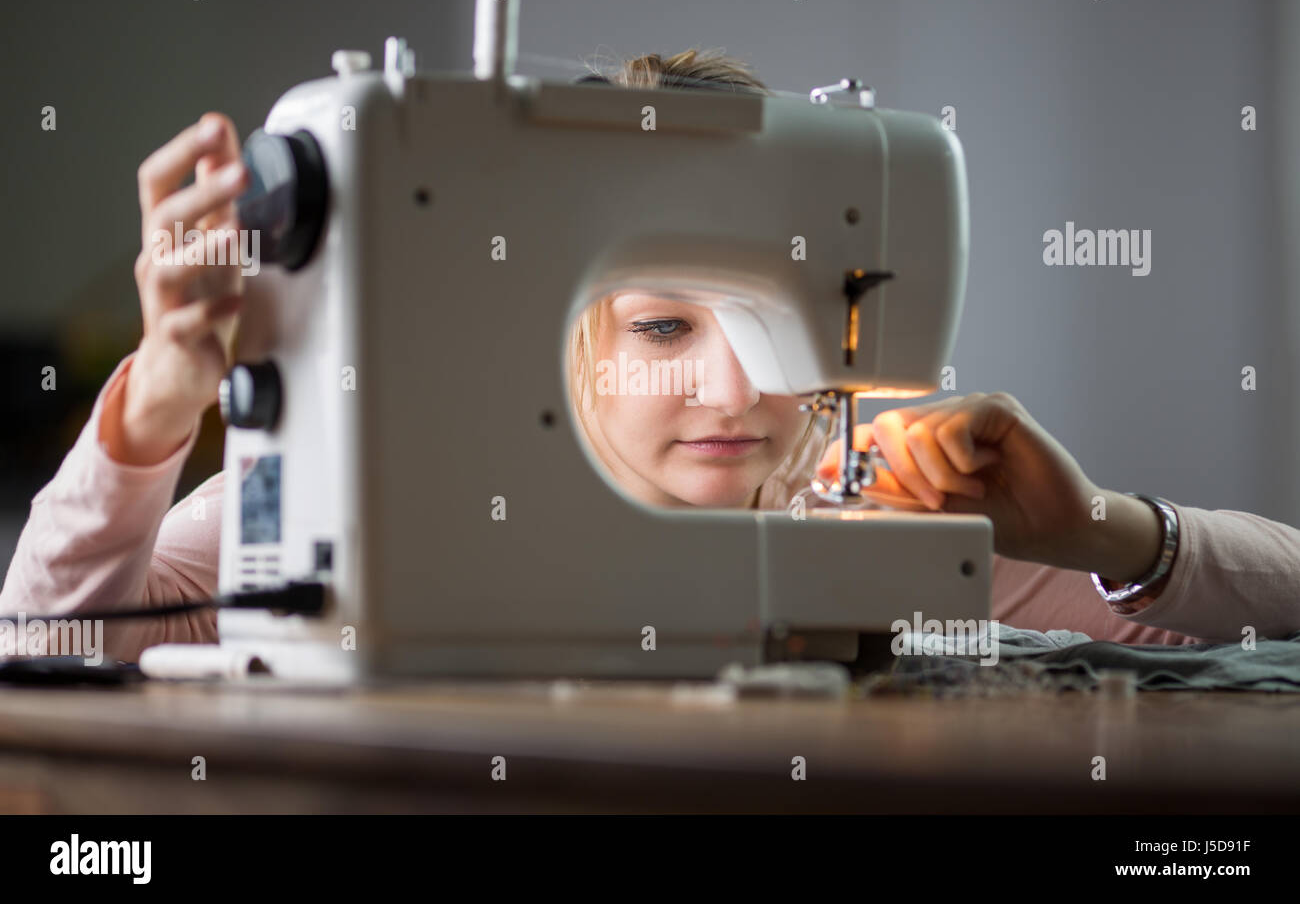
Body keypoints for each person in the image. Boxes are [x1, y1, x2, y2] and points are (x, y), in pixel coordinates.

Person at [4, 50, 1299, 665]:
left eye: (764, 328)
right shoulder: (381, 518)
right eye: (666, 327)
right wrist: (165, 396)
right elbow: (40, 640)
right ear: (568, 336)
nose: (736, 390)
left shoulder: (861, 529)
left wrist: (1107, 533)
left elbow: (1282, 607)